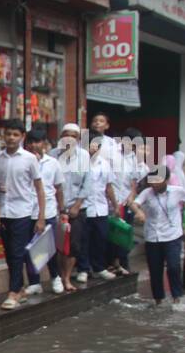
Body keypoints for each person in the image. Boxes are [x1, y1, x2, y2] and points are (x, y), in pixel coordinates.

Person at [131, 166, 185, 305]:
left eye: (157, 181)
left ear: (166, 180)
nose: (153, 184)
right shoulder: (147, 193)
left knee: (173, 267)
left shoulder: (177, 191)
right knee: (155, 270)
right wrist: (139, 212)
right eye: (151, 182)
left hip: (172, 236)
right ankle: (158, 300)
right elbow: (134, 204)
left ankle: (177, 297)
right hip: (153, 237)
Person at [0, 119, 46, 310]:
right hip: (3, 211)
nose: (11, 138)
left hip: (22, 212)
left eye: (15, 135)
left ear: (22, 137)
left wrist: (40, 217)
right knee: (10, 254)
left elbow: (40, 189)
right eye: (8, 134)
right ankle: (20, 288)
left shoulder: (29, 159)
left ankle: (13, 292)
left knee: (17, 253)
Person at [24, 128, 65, 295]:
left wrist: (62, 211)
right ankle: (34, 282)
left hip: (47, 212)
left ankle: (56, 277)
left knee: (48, 249)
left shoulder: (52, 163)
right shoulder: (24, 161)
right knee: (30, 249)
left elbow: (59, 188)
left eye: (38, 142)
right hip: (27, 211)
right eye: (31, 142)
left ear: (44, 144)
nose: (34, 145)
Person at [72, 132, 118, 283]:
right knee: (83, 240)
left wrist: (115, 205)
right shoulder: (78, 163)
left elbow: (109, 186)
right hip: (84, 208)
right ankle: (83, 269)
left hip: (101, 208)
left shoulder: (104, 164)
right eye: (90, 144)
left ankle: (99, 267)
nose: (93, 148)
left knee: (101, 238)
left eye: (96, 145)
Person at [53, 121, 89, 291]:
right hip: (55, 209)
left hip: (77, 209)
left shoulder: (84, 156)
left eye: (73, 136)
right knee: (58, 246)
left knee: (73, 247)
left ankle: (67, 278)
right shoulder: (52, 155)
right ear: (61, 137)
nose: (69, 138)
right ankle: (59, 277)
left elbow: (88, 184)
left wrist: (77, 205)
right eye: (66, 135)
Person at [105, 127, 143, 276]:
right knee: (112, 234)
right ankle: (111, 263)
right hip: (112, 201)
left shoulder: (133, 157)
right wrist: (113, 202)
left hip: (126, 202)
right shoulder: (112, 154)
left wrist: (132, 196)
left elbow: (134, 181)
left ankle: (122, 262)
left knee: (125, 232)